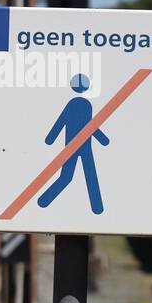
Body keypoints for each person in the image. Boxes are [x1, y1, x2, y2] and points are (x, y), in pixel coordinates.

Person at [37, 74, 107, 214]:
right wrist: (103, 139)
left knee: (80, 175)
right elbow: (88, 125)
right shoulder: (83, 104)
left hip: (80, 146)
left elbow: (89, 125)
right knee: (83, 175)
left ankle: (97, 207)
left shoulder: (82, 104)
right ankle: (44, 201)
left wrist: (51, 139)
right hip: (76, 147)